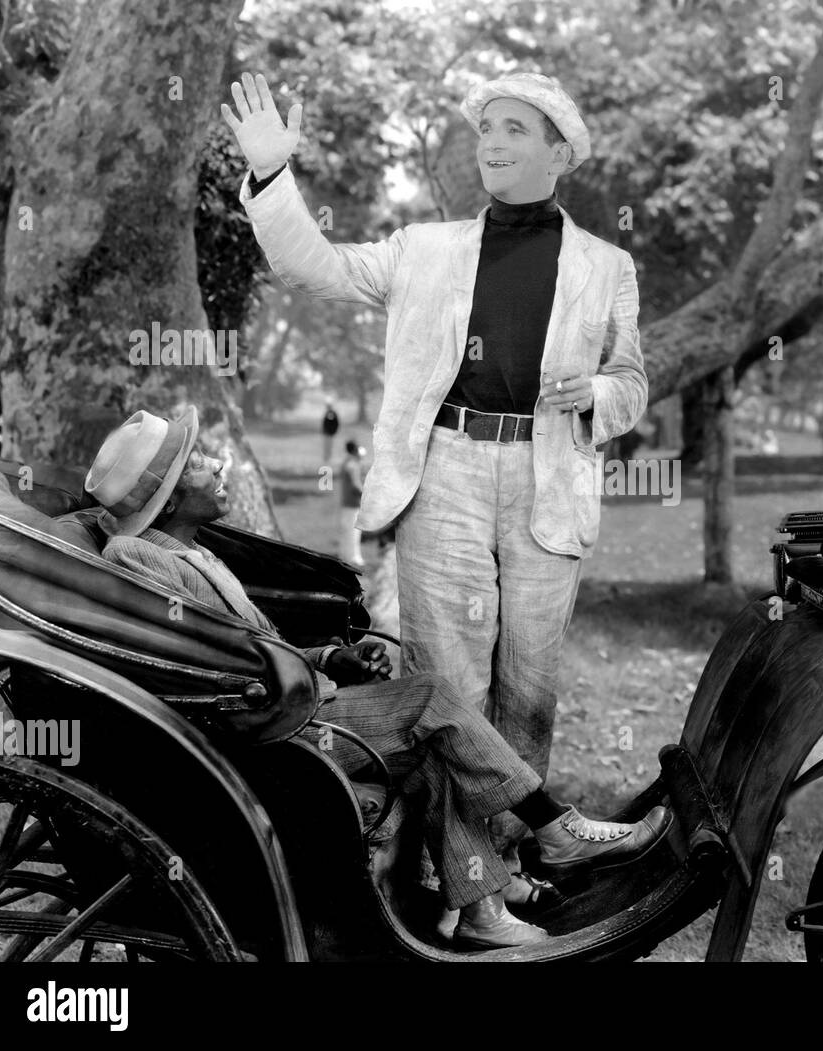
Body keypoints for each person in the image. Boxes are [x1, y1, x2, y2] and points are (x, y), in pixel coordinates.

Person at [222, 72, 648, 887]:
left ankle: (519, 856)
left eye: (516, 127)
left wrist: (597, 394)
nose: (492, 139)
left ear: (561, 152)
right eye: (486, 125)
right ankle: (472, 881)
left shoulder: (608, 266)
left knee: (527, 692)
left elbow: (630, 382)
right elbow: (315, 267)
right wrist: (273, 177)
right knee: (449, 688)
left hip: (548, 481)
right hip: (443, 471)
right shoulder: (423, 248)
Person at [84, 407, 668, 949]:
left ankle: (483, 911)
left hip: (289, 705)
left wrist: (327, 659)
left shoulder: (194, 550)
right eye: (196, 462)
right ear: (164, 497)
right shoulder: (139, 558)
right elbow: (212, 664)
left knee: (442, 745)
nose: (217, 464)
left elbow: (250, 645)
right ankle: (555, 830)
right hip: (260, 733)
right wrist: (305, 674)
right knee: (433, 698)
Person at [339, 439, 365, 568]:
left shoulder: (346, 463)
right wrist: (365, 495)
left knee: (346, 530)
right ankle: (354, 557)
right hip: (353, 504)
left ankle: (344, 554)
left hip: (346, 503)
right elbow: (356, 485)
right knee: (354, 532)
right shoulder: (353, 465)